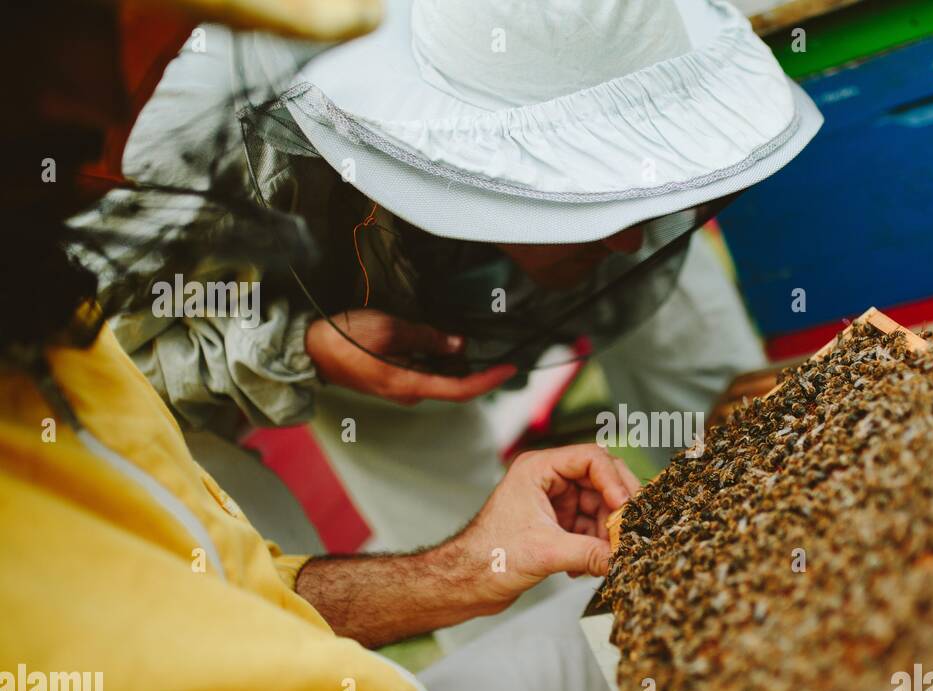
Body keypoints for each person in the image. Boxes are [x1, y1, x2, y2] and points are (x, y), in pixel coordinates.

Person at [89, 0, 823, 657]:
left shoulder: (605, 58)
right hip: (346, 324)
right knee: (494, 587)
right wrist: (300, 347)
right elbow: (108, 360)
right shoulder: (200, 129)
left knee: (741, 430)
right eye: (583, 203)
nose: (633, 242)